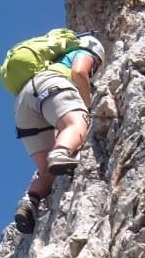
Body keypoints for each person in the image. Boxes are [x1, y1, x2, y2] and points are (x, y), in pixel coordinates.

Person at [13, 33, 105, 234]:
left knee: (45, 170)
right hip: (51, 85)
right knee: (76, 124)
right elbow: (79, 72)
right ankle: (61, 153)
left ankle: (30, 203)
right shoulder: (83, 51)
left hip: (23, 104)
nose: (95, 69)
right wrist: (87, 106)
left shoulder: (52, 61)